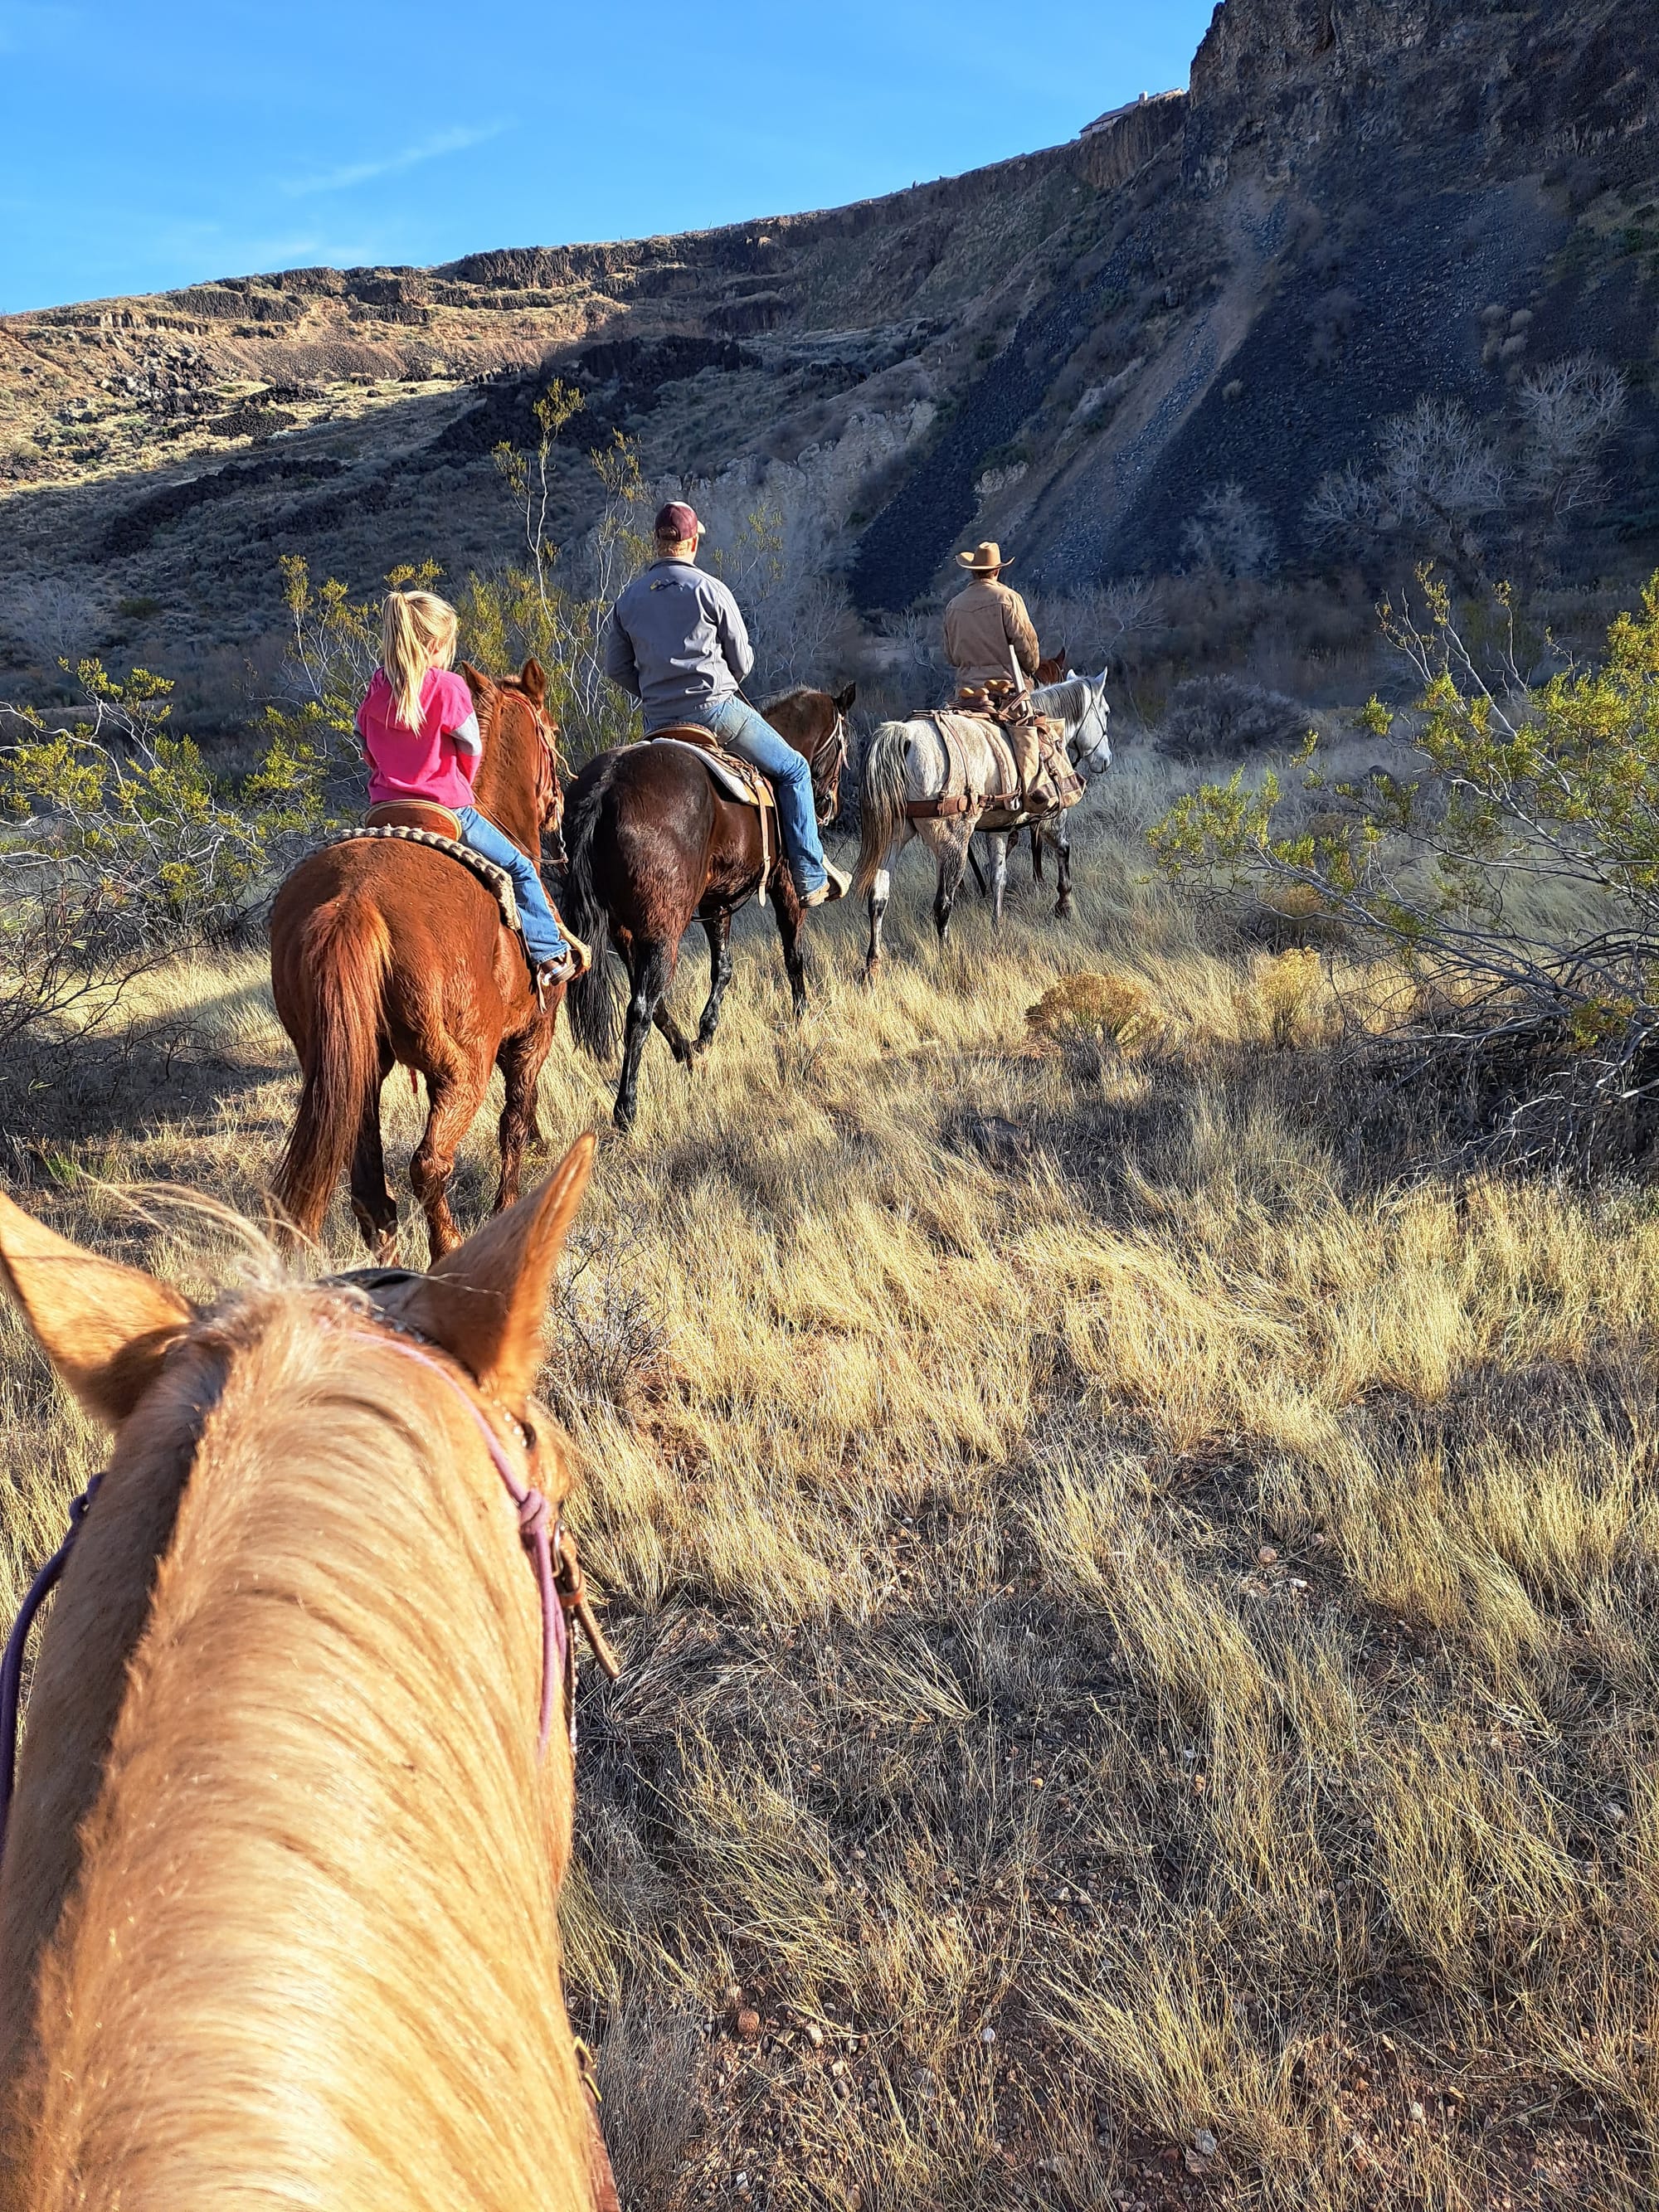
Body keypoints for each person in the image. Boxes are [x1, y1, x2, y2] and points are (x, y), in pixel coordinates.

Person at [604, 502, 849, 907]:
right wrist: (720, 683)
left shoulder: (628, 599)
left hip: (658, 723)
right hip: (715, 711)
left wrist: (653, 692)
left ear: (657, 541)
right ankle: (809, 875)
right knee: (794, 769)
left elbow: (615, 667)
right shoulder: (710, 590)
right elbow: (743, 661)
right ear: (693, 542)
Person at [355, 589, 578, 990]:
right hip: (447, 812)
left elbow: (365, 744)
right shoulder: (449, 687)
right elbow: (472, 747)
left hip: (385, 811)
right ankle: (549, 953)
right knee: (520, 867)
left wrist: (386, 770)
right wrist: (461, 781)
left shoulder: (377, 686)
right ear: (436, 645)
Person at [941, 540, 1041, 692]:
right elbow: (1026, 645)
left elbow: (951, 656)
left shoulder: (953, 606)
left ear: (972, 571)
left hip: (967, 689)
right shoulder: (1009, 599)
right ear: (996, 571)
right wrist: (1032, 667)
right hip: (1009, 686)